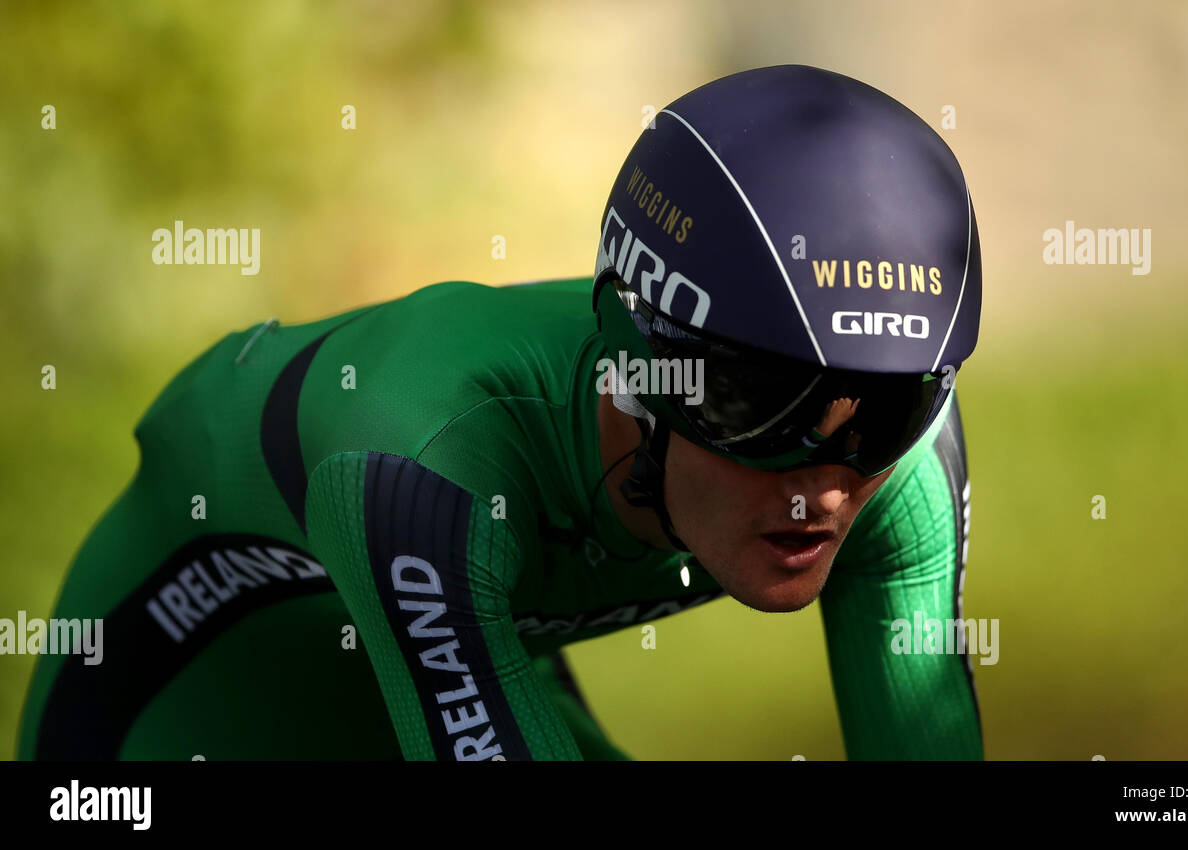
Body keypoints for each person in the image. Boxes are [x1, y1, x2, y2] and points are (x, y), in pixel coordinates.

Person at [18, 64, 984, 761]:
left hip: (458, 629)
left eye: (887, 411)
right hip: (188, 691)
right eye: (758, 408)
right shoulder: (428, 454)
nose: (824, 484)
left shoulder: (899, 463)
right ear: (638, 372)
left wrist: (844, 420)